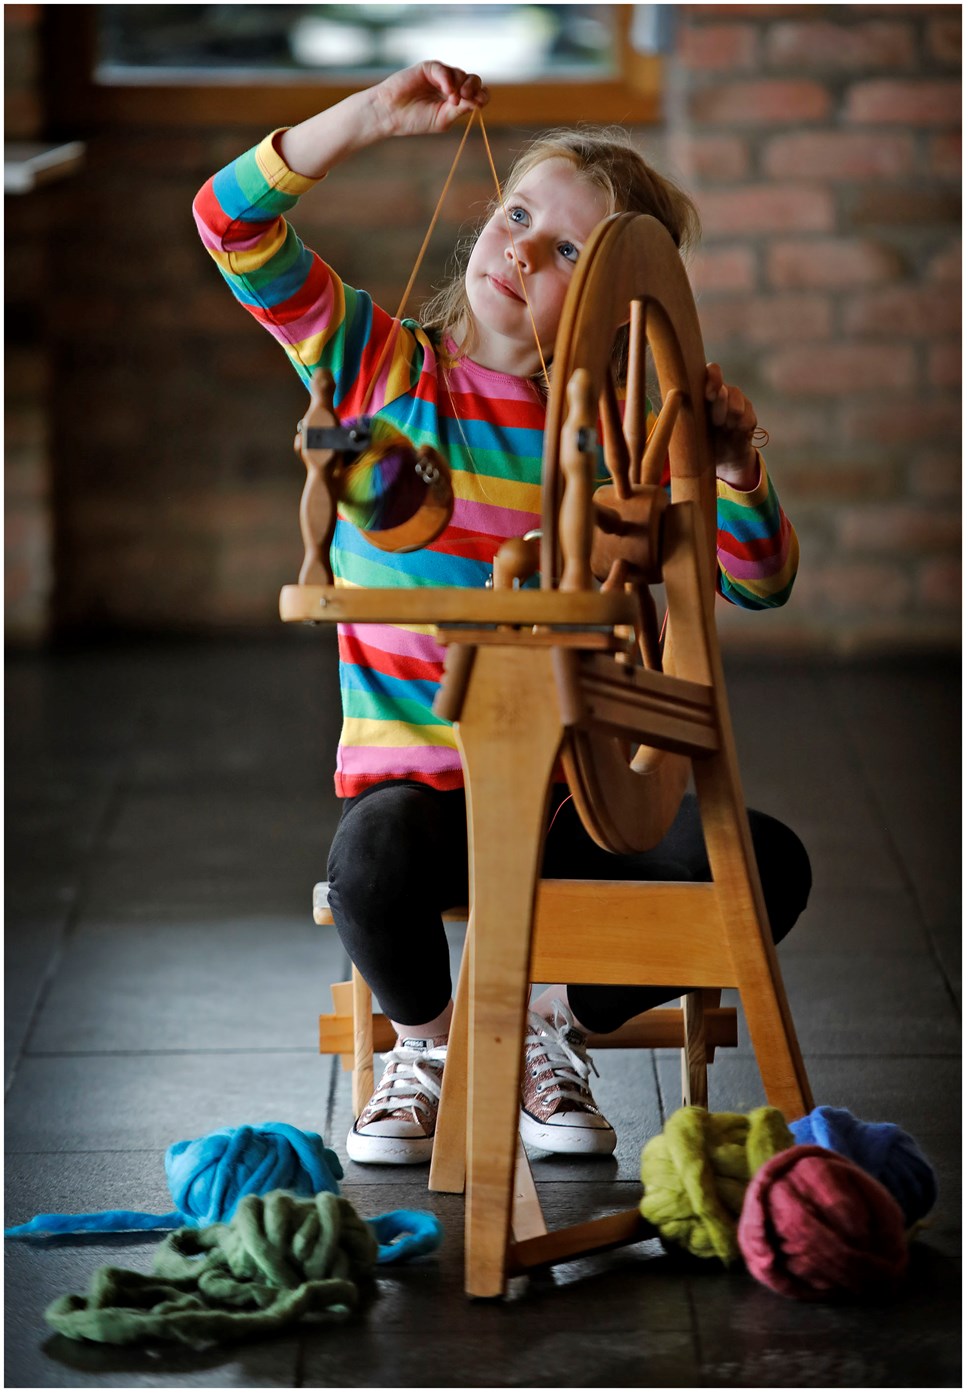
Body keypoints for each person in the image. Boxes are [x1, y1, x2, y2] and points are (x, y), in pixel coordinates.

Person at [194, 61, 811, 1167]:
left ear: (620, 305)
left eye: (565, 248)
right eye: (516, 215)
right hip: (423, 801)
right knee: (367, 862)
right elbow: (229, 223)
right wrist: (373, 117)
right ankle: (429, 1045)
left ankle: (549, 1027)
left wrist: (727, 467)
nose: (519, 249)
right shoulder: (383, 369)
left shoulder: (619, 439)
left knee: (766, 866)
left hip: (579, 808)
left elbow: (758, 581)